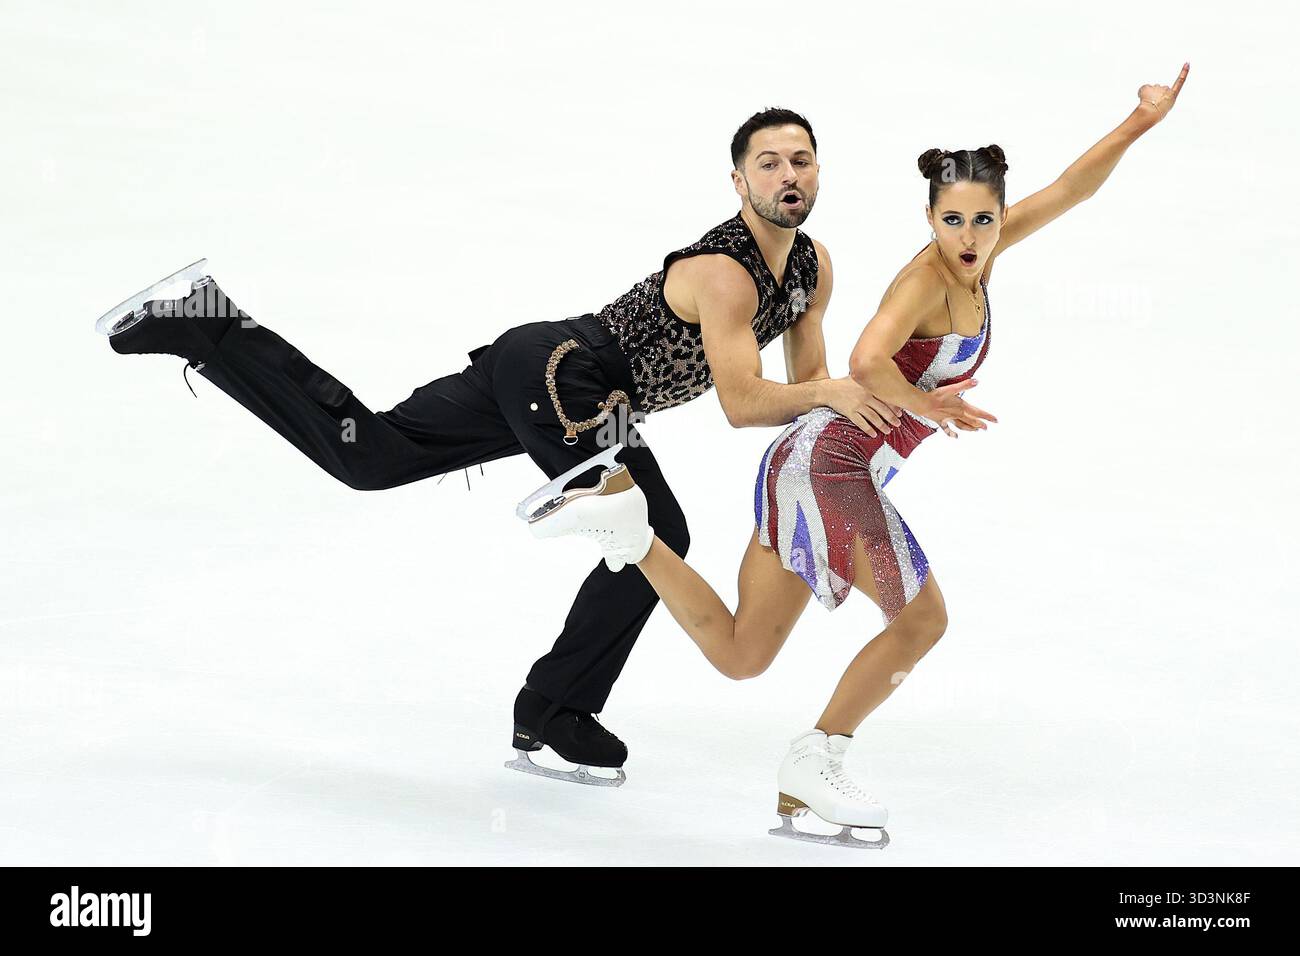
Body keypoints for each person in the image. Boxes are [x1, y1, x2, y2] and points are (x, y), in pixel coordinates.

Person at [95, 107, 897, 786]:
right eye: (768, 163)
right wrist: (828, 396)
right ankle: (557, 699)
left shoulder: (811, 271)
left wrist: (853, 430)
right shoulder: (726, 272)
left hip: (552, 377)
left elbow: (808, 383)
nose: (787, 173)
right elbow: (743, 400)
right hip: (568, 375)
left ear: (820, 170)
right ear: (739, 182)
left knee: (369, 456)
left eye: (800, 159)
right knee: (657, 532)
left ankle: (209, 324)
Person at [524, 64, 1189, 840]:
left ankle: (628, 532)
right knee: (922, 622)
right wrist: (925, 404)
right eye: (952, 221)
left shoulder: (985, 254)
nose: (968, 237)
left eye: (983, 220)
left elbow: (1074, 186)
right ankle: (816, 760)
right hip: (828, 464)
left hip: (808, 462)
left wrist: (1141, 121)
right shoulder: (926, 280)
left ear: (1001, 216)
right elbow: (870, 361)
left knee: (743, 654)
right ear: (930, 216)